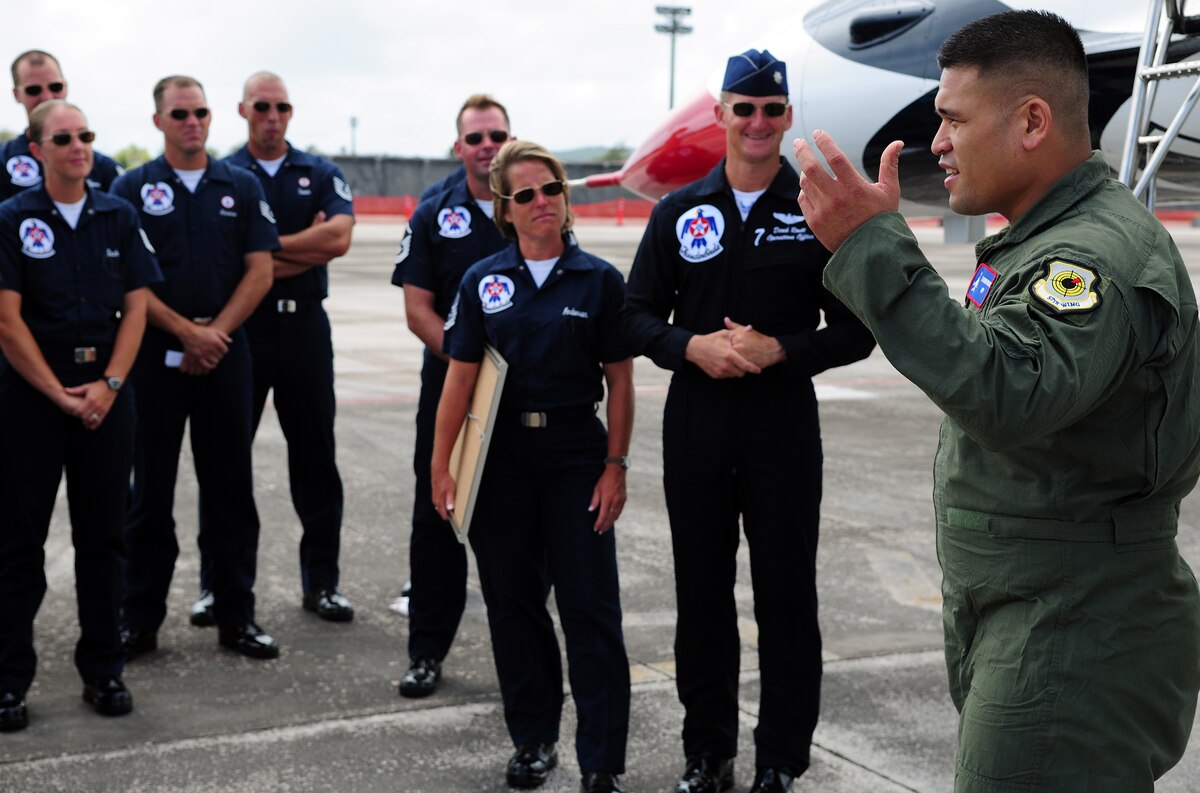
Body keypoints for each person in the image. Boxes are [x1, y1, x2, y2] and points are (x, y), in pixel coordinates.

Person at [792, 10, 1200, 792]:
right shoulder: (1043, 241)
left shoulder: (1088, 256)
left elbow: (1009, 391)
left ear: (1032, 122)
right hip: (1035, 609)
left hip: (1074, 628)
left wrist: (873, 248)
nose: (935, 142)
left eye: (951, 120)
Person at [621, 50, 876, 793]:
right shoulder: (679, 212)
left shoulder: (817, 209)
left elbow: (857, 330)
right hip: (697, 427)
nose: (758, 122)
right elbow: (634, 315)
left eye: (772, 109)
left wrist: (781, 350)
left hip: (781, 430)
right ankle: (708, 752)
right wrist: (690, 345)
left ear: (788, 116)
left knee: (786, 596)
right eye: (744, 108)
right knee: (701, 597)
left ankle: (779, 760)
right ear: (722, 115)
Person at [432, 140, 632, 793]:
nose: (543, 202)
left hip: (577, 456)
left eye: (551, 188)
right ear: (505, 208)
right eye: (527, 195)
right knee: (514, 606)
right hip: (502, 464)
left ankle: (601, 758)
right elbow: (458, 383)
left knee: (589, 609)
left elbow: (621, 384)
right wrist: (443, 467)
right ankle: (534, 739)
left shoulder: (599, 279)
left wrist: (616, 465)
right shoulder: (482, 280)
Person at [0, 101, 160, 731]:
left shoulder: (118, 215)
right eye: (63, 138)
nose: (78, 146)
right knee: (17, 544)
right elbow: (7, 323)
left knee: (105, 539)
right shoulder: (12, 218)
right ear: (36, 150)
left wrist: (110, 384)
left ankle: (104, 669)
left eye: (85, 136)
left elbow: (139, 305)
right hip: (30, 396)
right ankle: (9, 680)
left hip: (106, 392)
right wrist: (59, 393)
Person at [113, 75, 282, 661]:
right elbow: (127, 279)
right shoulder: (130, 188)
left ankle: (237, 615)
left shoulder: (239, 184)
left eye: (201, 112)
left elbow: (259, 270)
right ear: (158, 121)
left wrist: (214, 335)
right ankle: (139, 619)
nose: (193, 122)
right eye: (180, 113)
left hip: (225, 356)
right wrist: (185, 332)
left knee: (231, 488)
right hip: (155, 361)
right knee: (149, 494)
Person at [183, 71, 356, 627]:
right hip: (244, 332)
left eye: (282, 106)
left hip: (305, 329)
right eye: (262, 106)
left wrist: (261, 249)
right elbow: (230, 259)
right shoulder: (224, 174)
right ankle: (219, 586)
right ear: (241, 110)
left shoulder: (319, 172)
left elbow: (340, 238)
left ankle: (322, 584)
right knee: (226, 461)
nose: (272, 115)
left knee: (315, 460)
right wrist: (300, 247)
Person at [391, 94, 510, 697]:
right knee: (437, 516)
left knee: (522, 525)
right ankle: (426, 651)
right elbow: (418, 309)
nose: (487, 146)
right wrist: (471, 369)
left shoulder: (536, 200)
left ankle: (524, 661)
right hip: (450, 391)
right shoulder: (434, 211)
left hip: (528, 394)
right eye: (476, 138)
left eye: (497, 135)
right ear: (458, 146)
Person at [2, 51, 122, 200]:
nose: (47, 97)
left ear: (65, 87)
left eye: (55, 87)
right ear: (17, 94)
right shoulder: (3, 162)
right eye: (34, 90)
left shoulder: (104, 169)